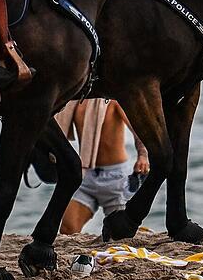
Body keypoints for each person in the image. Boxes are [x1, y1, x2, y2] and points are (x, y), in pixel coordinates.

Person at [58, 100, 149, 234]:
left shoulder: (113, 101)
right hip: (86, 176)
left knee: (121, 233)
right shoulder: (74, 102)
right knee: (67, 229)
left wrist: (142, 155)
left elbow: (138, 129)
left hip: (116, 179)